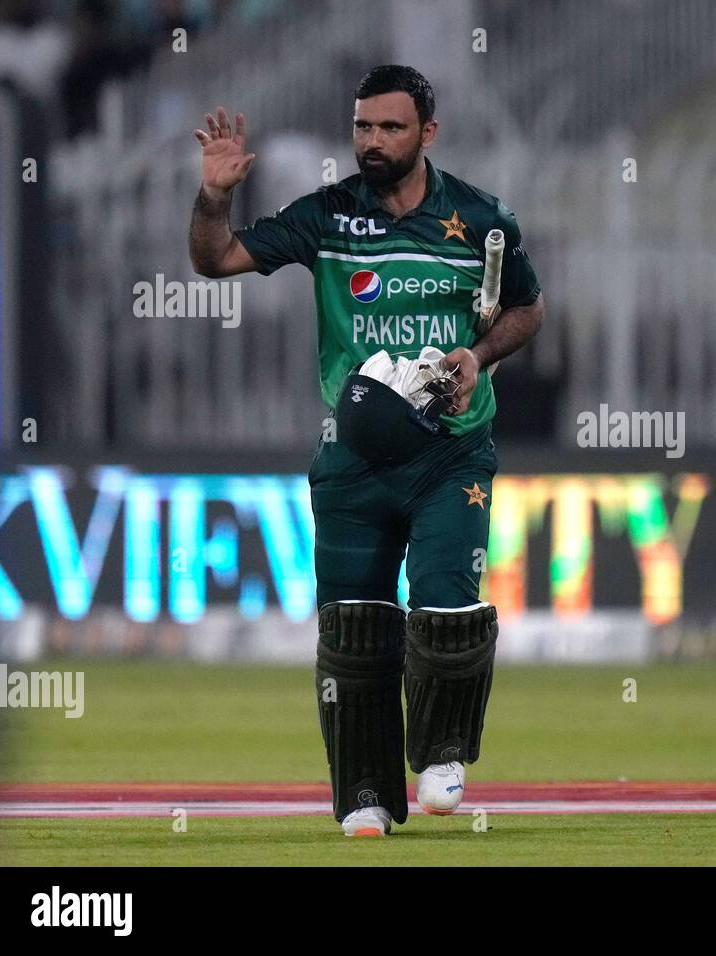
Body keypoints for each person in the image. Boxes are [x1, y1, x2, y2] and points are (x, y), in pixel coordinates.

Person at [189, 64, 544, 837]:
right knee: (354, 627)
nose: (372, 142)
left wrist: (479, 358)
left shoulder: (483, 220)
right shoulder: (328, 216)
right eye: (362, 128)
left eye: (390, 128)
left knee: (448, 598)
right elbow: (214, 261)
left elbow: (527, 309)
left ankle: (442, 754)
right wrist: (215, 195)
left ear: (428, 133)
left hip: (452, 449)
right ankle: (365, 793)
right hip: (352, 458)